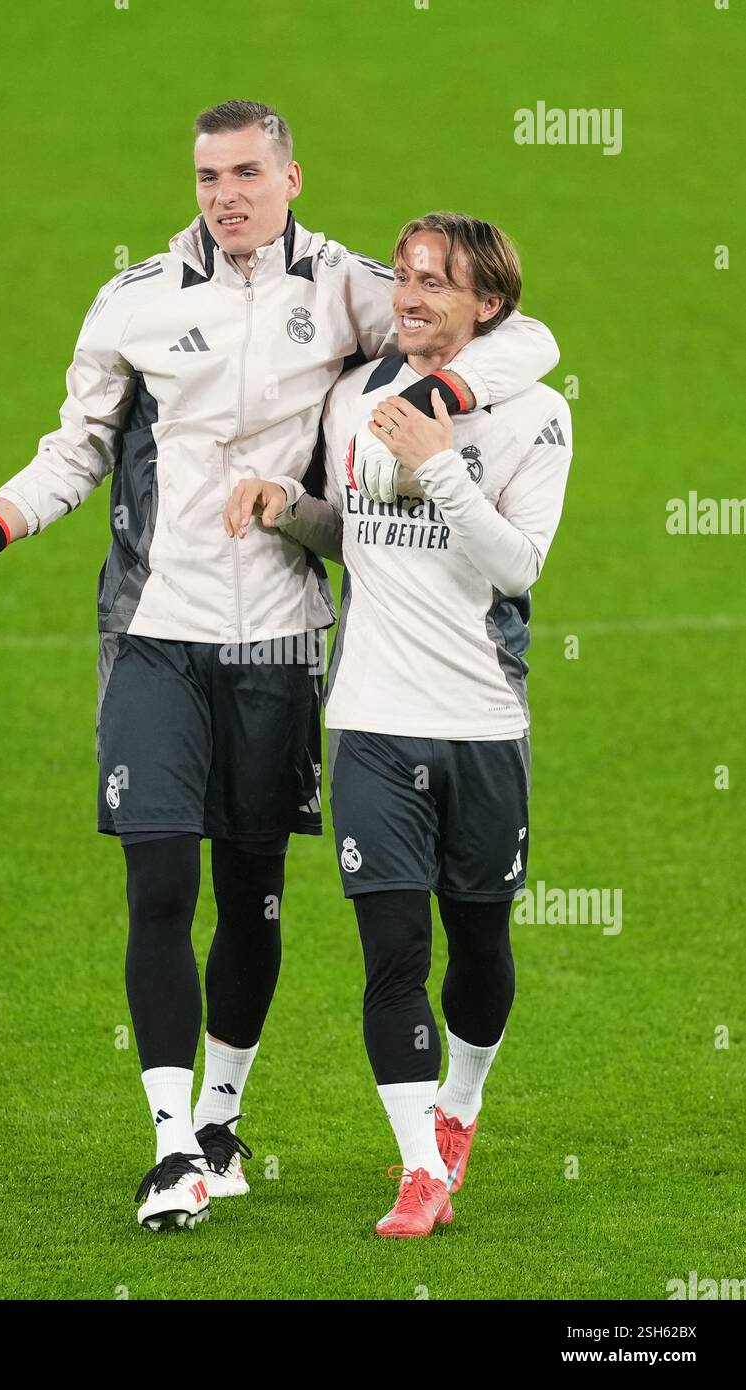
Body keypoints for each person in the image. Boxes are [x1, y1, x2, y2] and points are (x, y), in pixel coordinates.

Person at [0, 98, 560, 1232]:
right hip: (155, 627)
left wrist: (440, 394)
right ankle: (171, 1143)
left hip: (283, 639)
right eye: (206, 177)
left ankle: (225, 1123)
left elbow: (516, 336)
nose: (225, 195)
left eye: (246, 172)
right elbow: (76, 448)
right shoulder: (133, 300)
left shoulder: (346, 285)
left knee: (252, 894)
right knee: (158, 880)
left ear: (292, 176)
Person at [225, 211, 572, 1238]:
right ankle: (421, 1169)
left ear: (489, 306)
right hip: (371, 717)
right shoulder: (356, 395)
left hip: (479, 721)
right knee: (391, 950)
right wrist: (288, 505)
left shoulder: (536, 415)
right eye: (407, 277)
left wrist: (439, 464)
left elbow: (518, 564)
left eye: (436, 283)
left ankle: (459, 1106)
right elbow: (355, 535)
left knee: (480, 942)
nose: (410, 297)